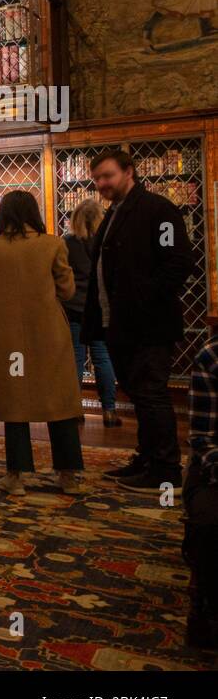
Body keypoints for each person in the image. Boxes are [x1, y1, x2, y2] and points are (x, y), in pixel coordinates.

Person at [82, 149, 197, 492]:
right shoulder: (115, 213)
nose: (102, 183)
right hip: (118, 322)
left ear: (128, 172)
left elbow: (178, 262)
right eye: (97, 178)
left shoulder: (157, 210)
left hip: (148, 322)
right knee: (137, 394)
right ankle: (147, 458)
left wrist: (144, 299)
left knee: (151, 393)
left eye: (108, 176)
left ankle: (165, 470)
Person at [0, 191, 85, 496]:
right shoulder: (52, 244)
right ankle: (68, 475)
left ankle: (16, 476)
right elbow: (67, 289)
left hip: (5, 336)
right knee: (58, 400)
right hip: (48, 332)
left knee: (15, 402)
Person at [62, 198, 120, 427]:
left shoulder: (66, 243)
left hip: (74, 308)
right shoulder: (107, 242)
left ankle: (75, 411)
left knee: (75, 359)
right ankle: (109, 410)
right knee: (103, 358)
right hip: (100, 308)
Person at [183, 336, 218, 649]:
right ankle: (204, 608)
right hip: (213, 472)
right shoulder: (212, 355)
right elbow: (204, 440)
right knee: (209, 524)